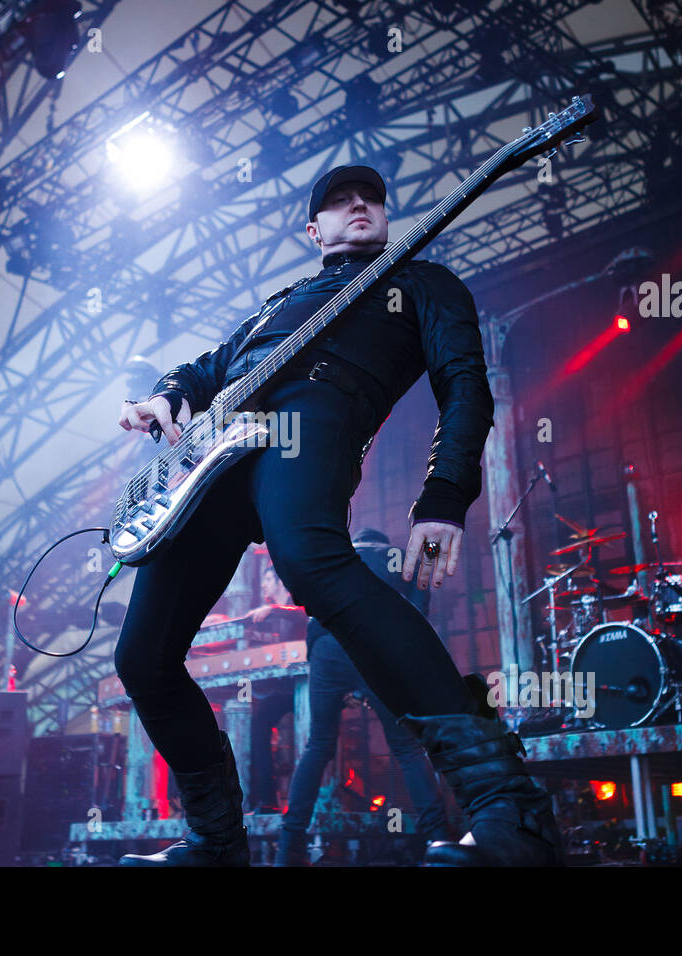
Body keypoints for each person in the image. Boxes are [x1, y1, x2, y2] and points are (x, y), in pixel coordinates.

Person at [114, 163, 562, 866]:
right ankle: (216, 843)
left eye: (371, 199)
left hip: (315, 415)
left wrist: (444, 495)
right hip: (214, 457)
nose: (360, 205)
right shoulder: (275, 306)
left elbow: (465, 384)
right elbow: (203, 371)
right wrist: (163, 394)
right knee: (139, 655)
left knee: (310, 562)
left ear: (386, 218)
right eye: (339, 201)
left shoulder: (421, 281)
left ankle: (509, 808)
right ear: (312, 228)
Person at [276, 527, 451, 866]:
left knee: (318, 746)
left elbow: (309, 607)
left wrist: (337, 674)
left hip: (328, 646)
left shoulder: (334, 555)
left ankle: (288, 847)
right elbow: (418, 612)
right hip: (380, 644)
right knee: (406, 748)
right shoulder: (398, 558)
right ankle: (439, 841)